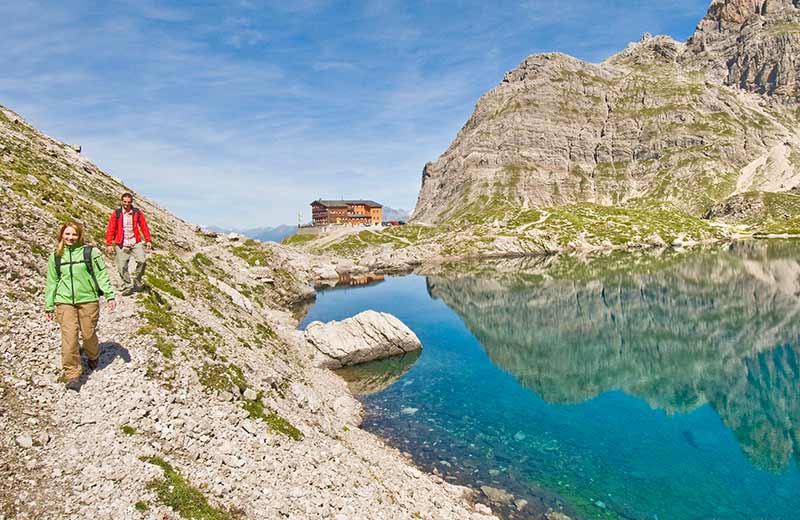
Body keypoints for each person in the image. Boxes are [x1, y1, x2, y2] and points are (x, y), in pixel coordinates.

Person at [45, 221, 116, 391]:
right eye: (67, 234)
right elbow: (52, 281)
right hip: (64, 301)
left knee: (88, 334)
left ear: (80, 236)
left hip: (88, 299)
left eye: (74, 234)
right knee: (69, 338)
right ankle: (72, 374)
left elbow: (101, 274)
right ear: (62, 235)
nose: (70, 238)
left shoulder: (90, 253)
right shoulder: (56, 256)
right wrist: (49, 305)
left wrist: (109, 295)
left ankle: (93, 354)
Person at [105, 192, 151, 295]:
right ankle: (128, 285)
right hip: (121, 242)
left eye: (128, 202)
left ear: (131, 202)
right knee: (122, 266)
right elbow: (111, 229)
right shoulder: (116, 213)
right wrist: (109, 244)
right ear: (121, 201)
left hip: (135, 241)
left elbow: (144, 226)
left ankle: (137, 280)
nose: (126, 204)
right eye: (124, 202)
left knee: (142, 261)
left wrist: (148, 240)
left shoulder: (136, 212)